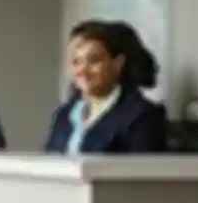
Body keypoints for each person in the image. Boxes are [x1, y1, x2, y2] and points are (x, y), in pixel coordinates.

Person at [43, 20, 168, 154]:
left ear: (117, 64)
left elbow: (144, 173)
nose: (82, 70)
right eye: (76, 62)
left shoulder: (142, 117)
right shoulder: (64, 114)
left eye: (94, 60)